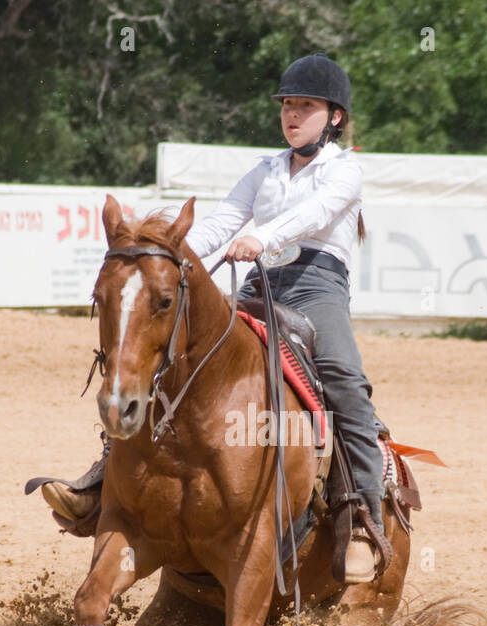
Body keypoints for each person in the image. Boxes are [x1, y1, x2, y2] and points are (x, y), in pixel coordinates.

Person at [40, 53, 387, 582]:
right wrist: (171, 255)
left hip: (317, 287)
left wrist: (261, 237)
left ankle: (360, 515)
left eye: (306, 107)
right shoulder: (266, 169)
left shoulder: (344, 171)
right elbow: (221, 221)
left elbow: (311, 216)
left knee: (343, 379)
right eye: (288, 106)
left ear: (334, 116)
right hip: (257, 283)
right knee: (172, 356)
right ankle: (106, 475)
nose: (293, 115)